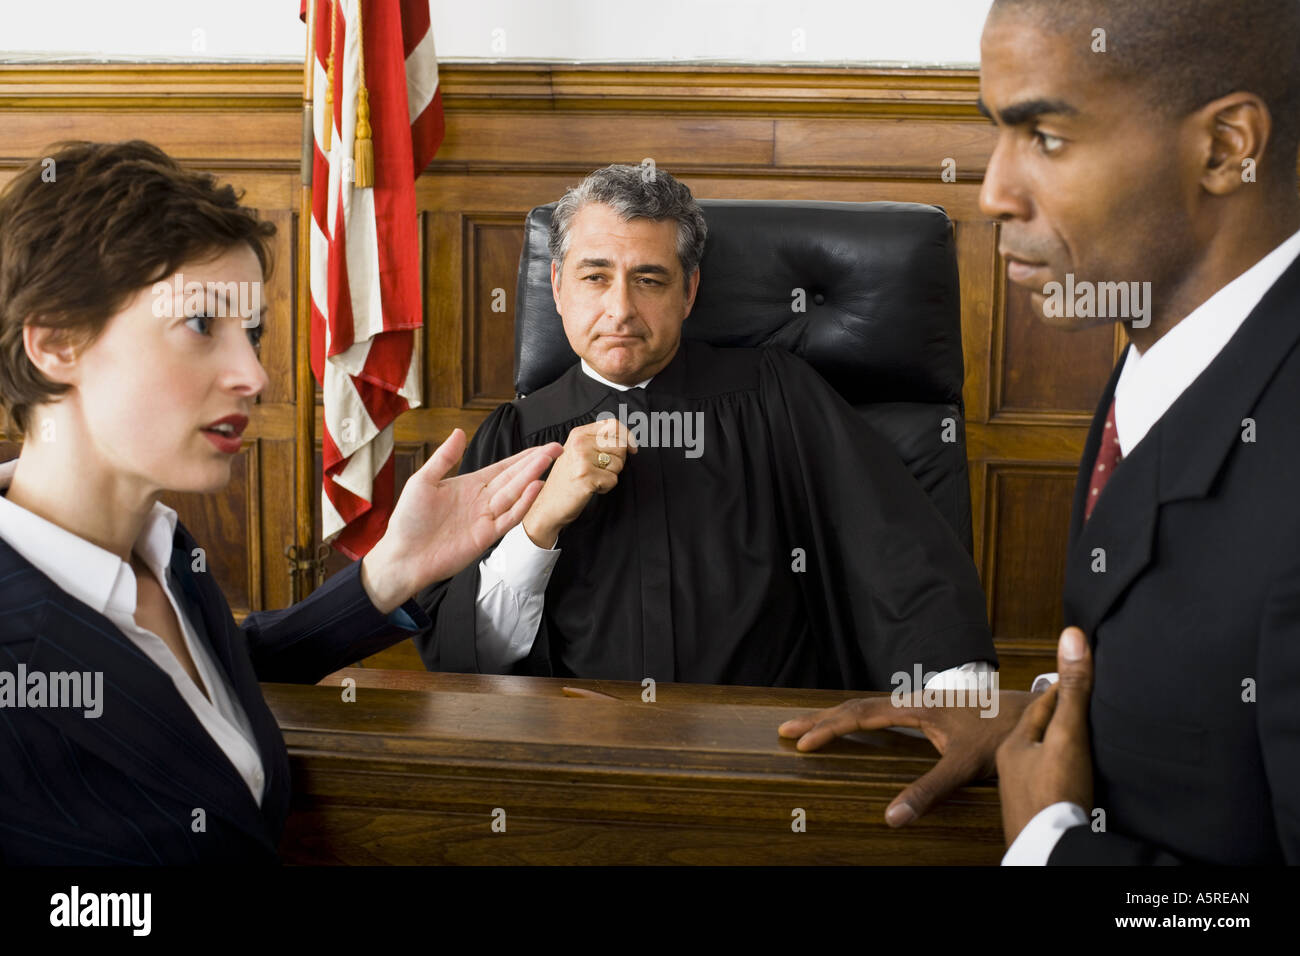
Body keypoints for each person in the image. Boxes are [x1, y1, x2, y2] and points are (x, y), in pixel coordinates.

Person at [780, 0, 1300, 864]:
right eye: (997, 133)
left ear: (1223, 148)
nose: (991, 192)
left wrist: (1051, 846)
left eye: (1046, 137)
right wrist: (1052, 711)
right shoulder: (1165, 351)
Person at [0, 140, 561, 864]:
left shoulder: (165, 551)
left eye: (251, 333)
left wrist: (389, 572)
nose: (253, 374)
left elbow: (217, 671)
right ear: (56, 344)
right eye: (202, 325)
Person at [413, 164, 996, 692]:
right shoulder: (513, 437)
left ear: (689, 292)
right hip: (581, 759)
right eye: (595, 277)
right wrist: (538, 526)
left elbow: (896, 550)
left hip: (771, 748)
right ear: (558, 287)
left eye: (649, 280)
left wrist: (960, 706)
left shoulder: (775, 393)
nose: (620, 310)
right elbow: (472, 657)